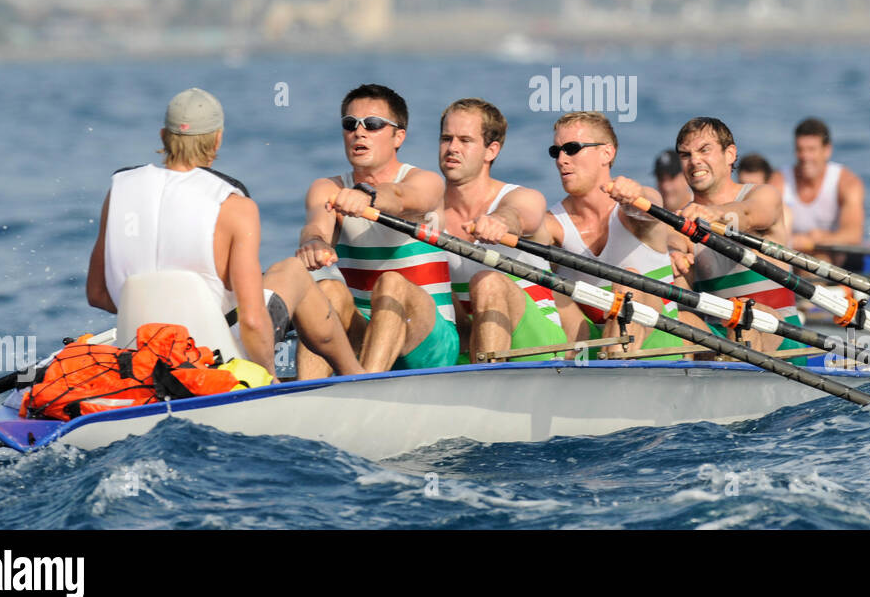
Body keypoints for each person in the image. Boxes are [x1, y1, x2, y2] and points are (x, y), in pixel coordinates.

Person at [86, 88, 360, 380]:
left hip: (141, 350)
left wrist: (156, 315)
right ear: (217, 138)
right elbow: (252, 321)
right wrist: (268, 380)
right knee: (292, 270)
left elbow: (98, 295)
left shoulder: (119, 190)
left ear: (164, 135)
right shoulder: (234, 205)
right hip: (216, 355)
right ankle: (356, 375)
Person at [295, 84, 458, 376]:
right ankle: (304, 396)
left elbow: (400, 197)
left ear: (399, 136)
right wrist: (315, 244)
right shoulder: (327, 188)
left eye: (373, 125)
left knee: (391, 283)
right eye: (350, 124)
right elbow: (316, 227)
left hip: (429, 340)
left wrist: (368, 196)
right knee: (326, 289)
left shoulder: (426, 181)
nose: (359, 132)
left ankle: (365, 390)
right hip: (368, 332)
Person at [542, 112, 707, 356]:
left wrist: (635, 195)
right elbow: (530, 232)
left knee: (628, 280)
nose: (561, 160)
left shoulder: (635, 207)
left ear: (606, 153)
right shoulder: (553, 223)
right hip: (593, 341)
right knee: (549, 288)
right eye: (556, 152)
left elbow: (650, 206)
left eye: (572, 148)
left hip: (659, 339)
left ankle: (614, 366)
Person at [438, 98, 573, 362]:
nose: (452, 148)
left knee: (487, 281)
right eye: (446, 138)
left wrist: (500, 221)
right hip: (470, 340)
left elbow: (519, 214)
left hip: (539, 346)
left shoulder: (523, 197)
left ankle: (483, 386)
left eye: (465, 140)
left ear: (491, 150)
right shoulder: (430, 214)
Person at [664, 116, 803, 353]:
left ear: (730, 154)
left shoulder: (763, 195)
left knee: (743, 316)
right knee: (677, 323)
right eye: (686, 155)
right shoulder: (679, 225)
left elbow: (748, 214)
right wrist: (672, 264)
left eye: (704, 150)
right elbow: (681, 299)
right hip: (718, 336)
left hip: (781, 333)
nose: (694, 160)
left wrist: (714, 214)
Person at [780, 118, 865, 254]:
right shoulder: (779, 180)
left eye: (811, 150)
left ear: (827, 150)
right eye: (800, 150)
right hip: (791, 253)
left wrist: (817, 241)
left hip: (834, 256)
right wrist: (793, 241)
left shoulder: (848, 183)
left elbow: (853, 235)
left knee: (821, 258)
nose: (805, 156)